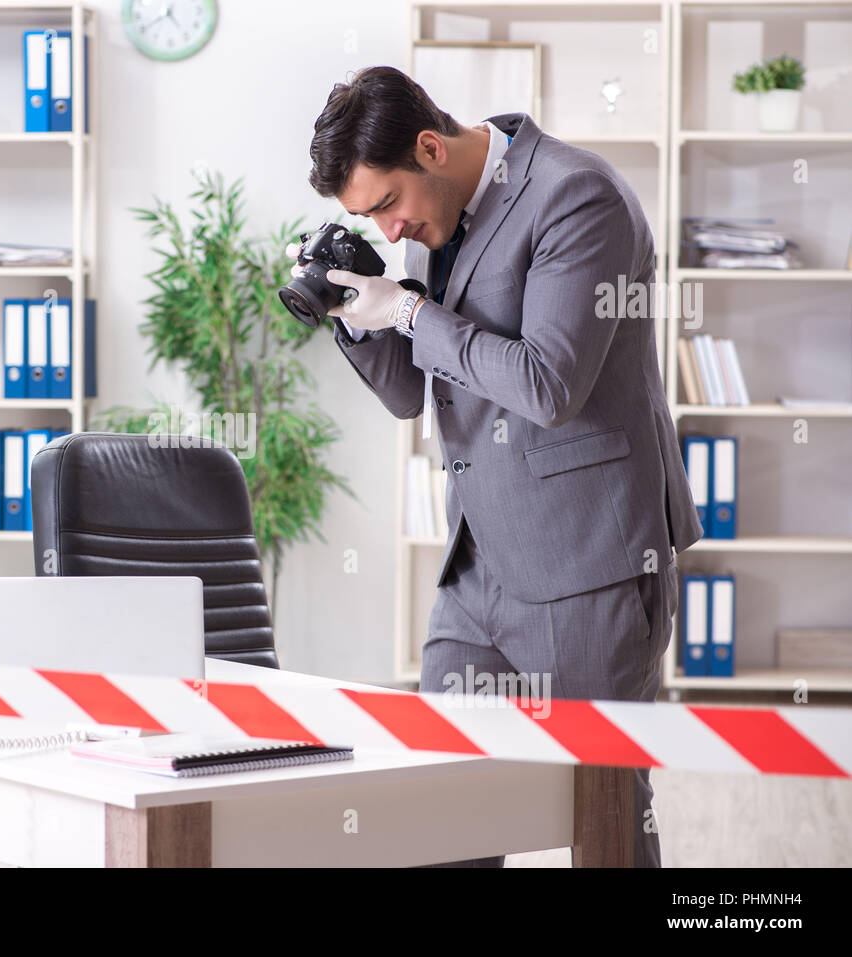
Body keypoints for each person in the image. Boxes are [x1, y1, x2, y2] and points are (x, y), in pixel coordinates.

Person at [292, 66, 703, 867]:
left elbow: (548, 385)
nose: (390, 230)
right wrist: (360, 315)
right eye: (368, 218)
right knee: (441, 802)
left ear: (430, 146)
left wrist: (411, 310)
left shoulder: (577, 196)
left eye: (387, 205)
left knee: (604, 813)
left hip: (590, 564)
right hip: (476, 572)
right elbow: (415, 394)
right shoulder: (440, 217)